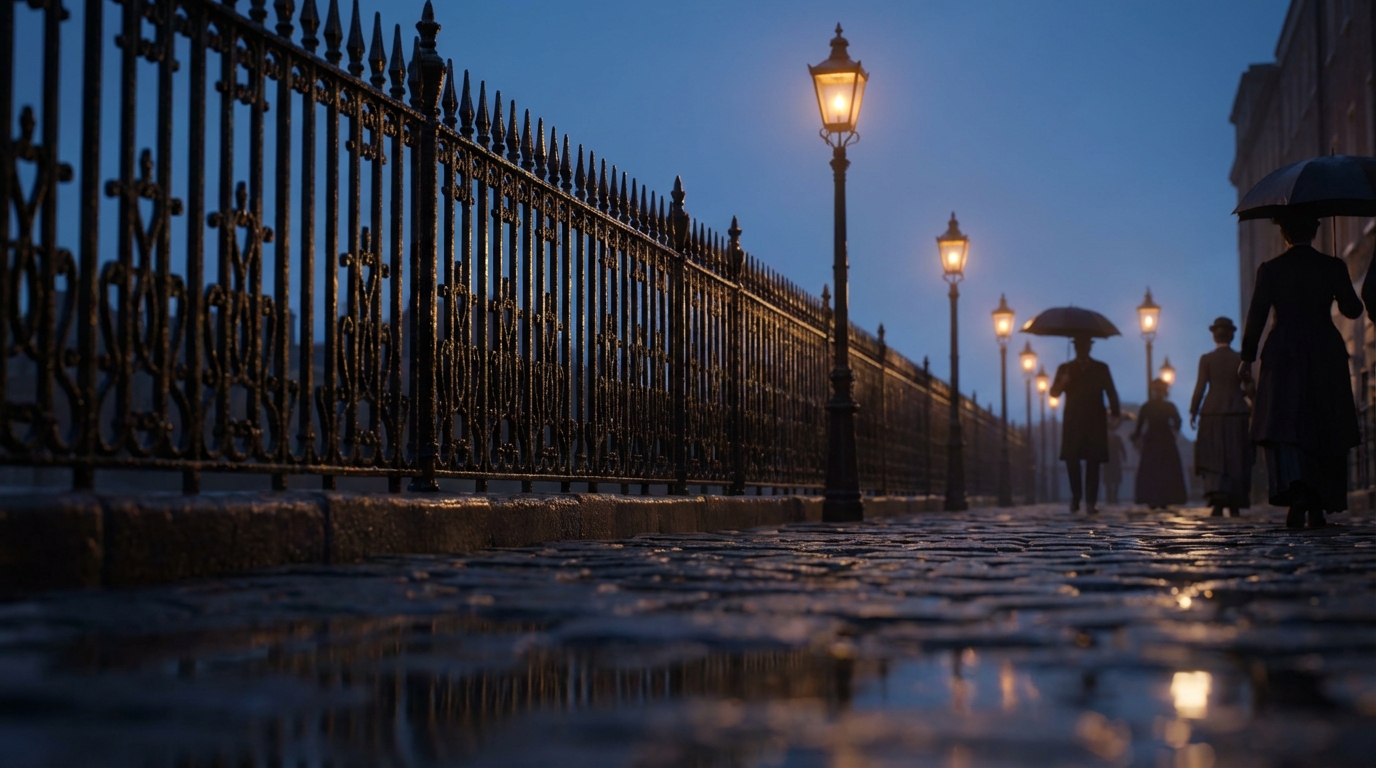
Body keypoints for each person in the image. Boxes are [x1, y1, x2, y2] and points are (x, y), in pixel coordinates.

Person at [1240, 215, 1362, 529]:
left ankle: (1295, 496)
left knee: (1286, 424)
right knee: (1324, 422)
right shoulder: (1332, 266)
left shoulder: (1271, 269)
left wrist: (1247, 357)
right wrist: (1338, 283)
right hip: (1323, 349)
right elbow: (1352, 309)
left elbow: (1257, 316)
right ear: (1316, 231)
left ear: (1284, 233)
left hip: (1284, 351)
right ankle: (1319, 505)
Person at [1189, 317, 1253, 517]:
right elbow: (1250, 386)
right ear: (1231, 335)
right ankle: (1234, 503)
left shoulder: (1206, 359)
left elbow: (1200, 386)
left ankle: (1217, 501)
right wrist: (1246, 397)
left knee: (1214, 458)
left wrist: (1193, 410)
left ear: (1214, 336)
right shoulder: (1240, 358)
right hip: (1236, 412)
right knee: (1236, 457)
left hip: (1212, 413)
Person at [1049, 335, 1121, 513]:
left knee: (1093, 461)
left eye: (1085, 346)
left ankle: (1090, 501)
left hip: (1094, 419)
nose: (1083, 349)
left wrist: (1115, 414)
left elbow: (1111, 392)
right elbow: (1053, 393)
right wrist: (1062, 382)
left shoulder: (1101, 368)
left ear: (1090, 348)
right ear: (1075, 348)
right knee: (1072, 461)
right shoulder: (1065, 369)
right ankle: (1076, 498)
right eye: (1080, 346)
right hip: (1073, 420)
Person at [1133, 379, 1188, 509]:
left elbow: (1139, 427)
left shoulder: (1147, 406)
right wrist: (1173, 429)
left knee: (1151, 470)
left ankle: (1151, 498)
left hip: (1152, 439)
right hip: (1165, 439)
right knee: (1166, 470)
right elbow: (1178, 421)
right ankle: (1166, 497)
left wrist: (1136, 438)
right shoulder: (1169, 406)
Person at [1104, 414, 1128, 504]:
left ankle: (1111, 498)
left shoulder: (1107, 439)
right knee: (1112, 481)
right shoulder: (1116, 438)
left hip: (1109, 461)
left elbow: (1122, 449)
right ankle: (1112, 497)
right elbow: (1122, 449)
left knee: (1110, 481)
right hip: (1113, 461)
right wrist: (1124, 457)